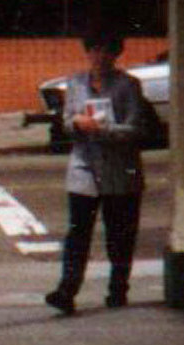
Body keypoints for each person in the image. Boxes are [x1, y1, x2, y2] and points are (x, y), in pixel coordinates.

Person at [45, 27, 147, 314]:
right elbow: (66, 121)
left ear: (116, 54)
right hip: (84, 168)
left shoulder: (128, 85)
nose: (99, 56)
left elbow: (135, 128)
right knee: (78, 232)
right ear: (87, 52)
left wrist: (103, 129)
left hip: (120, 170)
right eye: (94, 50)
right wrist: (77, 124)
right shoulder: (75, 83)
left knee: (119, 234)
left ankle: (118, 288)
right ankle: (67, 290)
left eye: (106, 51)